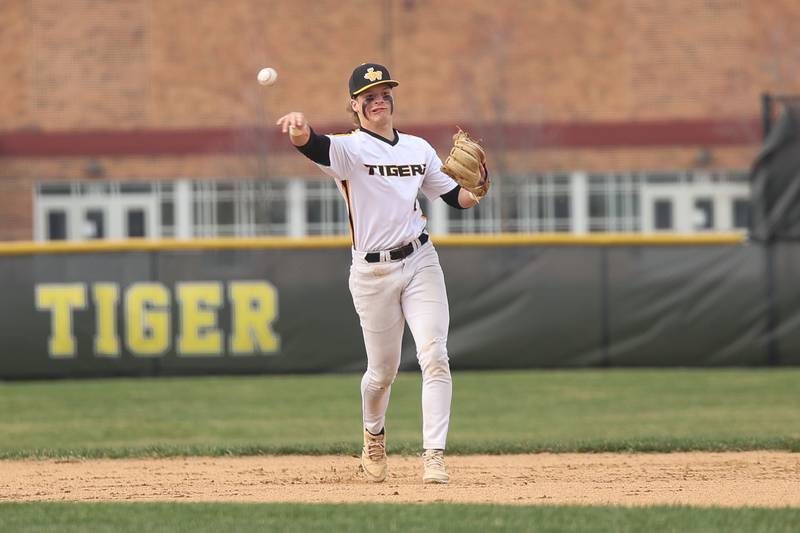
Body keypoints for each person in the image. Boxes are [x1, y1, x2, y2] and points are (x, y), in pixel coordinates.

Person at [275, 63, 487, 484]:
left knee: (435, 355)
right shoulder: (349, 149)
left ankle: (434, 456)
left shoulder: (417, 148)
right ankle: (373, 434)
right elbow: (313, 145)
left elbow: (454, 198)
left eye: (384, 93)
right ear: (354, 106)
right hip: (372, 274)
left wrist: (481, 185)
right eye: (368, 96)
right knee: (382, 372)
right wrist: (299, 129)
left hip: (420, 260)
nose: (378, 101)